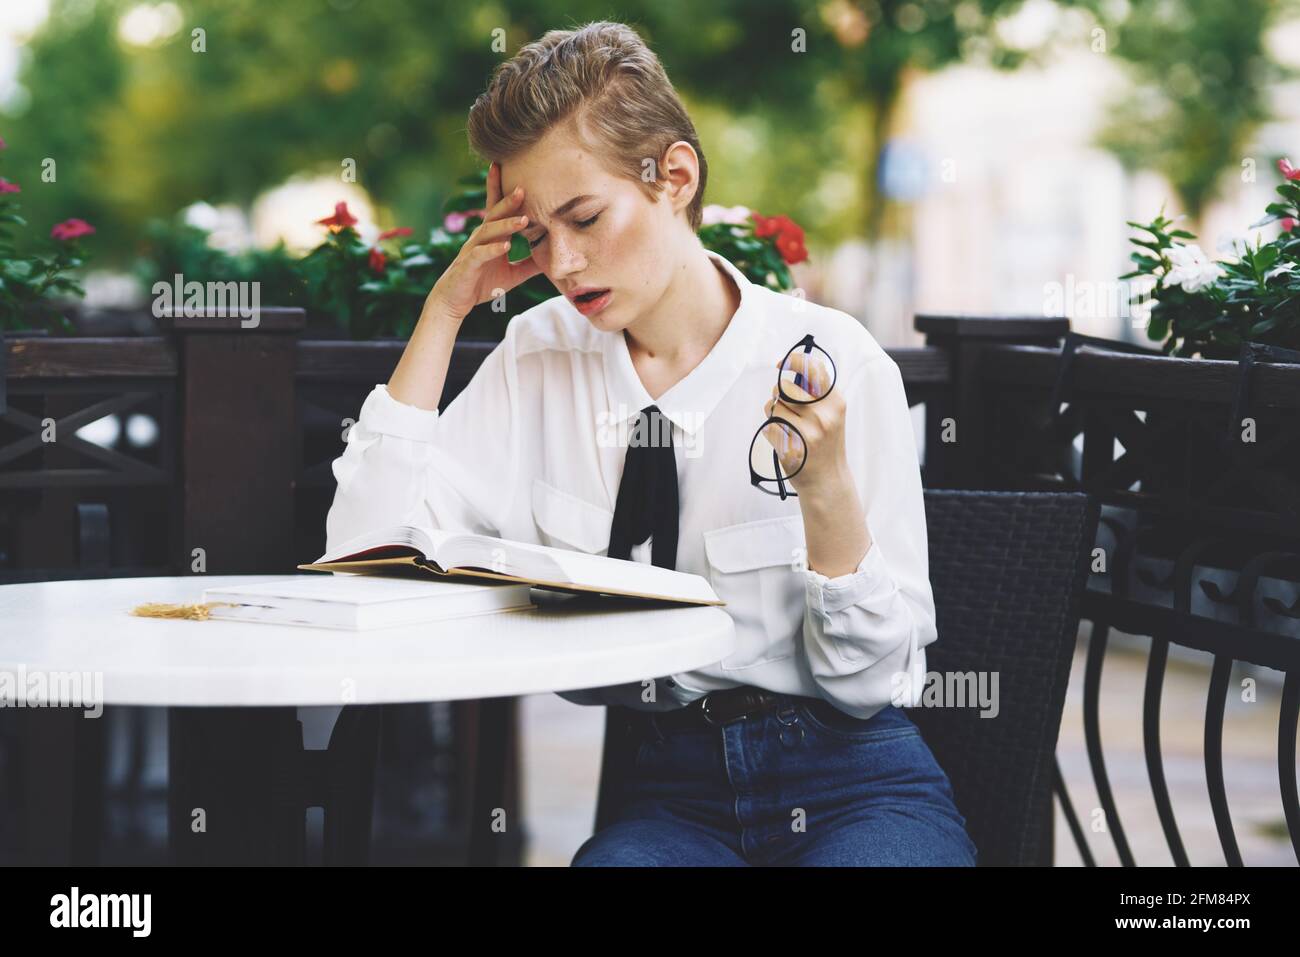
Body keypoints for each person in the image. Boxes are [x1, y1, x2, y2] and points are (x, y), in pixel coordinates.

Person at [325, 20, 976, 867]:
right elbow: (362, 557)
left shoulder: (834, 364)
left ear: (675, 176)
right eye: (534, 234)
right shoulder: (537, 360)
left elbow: (870, 683)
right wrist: (445, 312)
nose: (559, 261)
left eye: (585, 217)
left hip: (855, 775)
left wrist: (825, 494)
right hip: (672, 792)